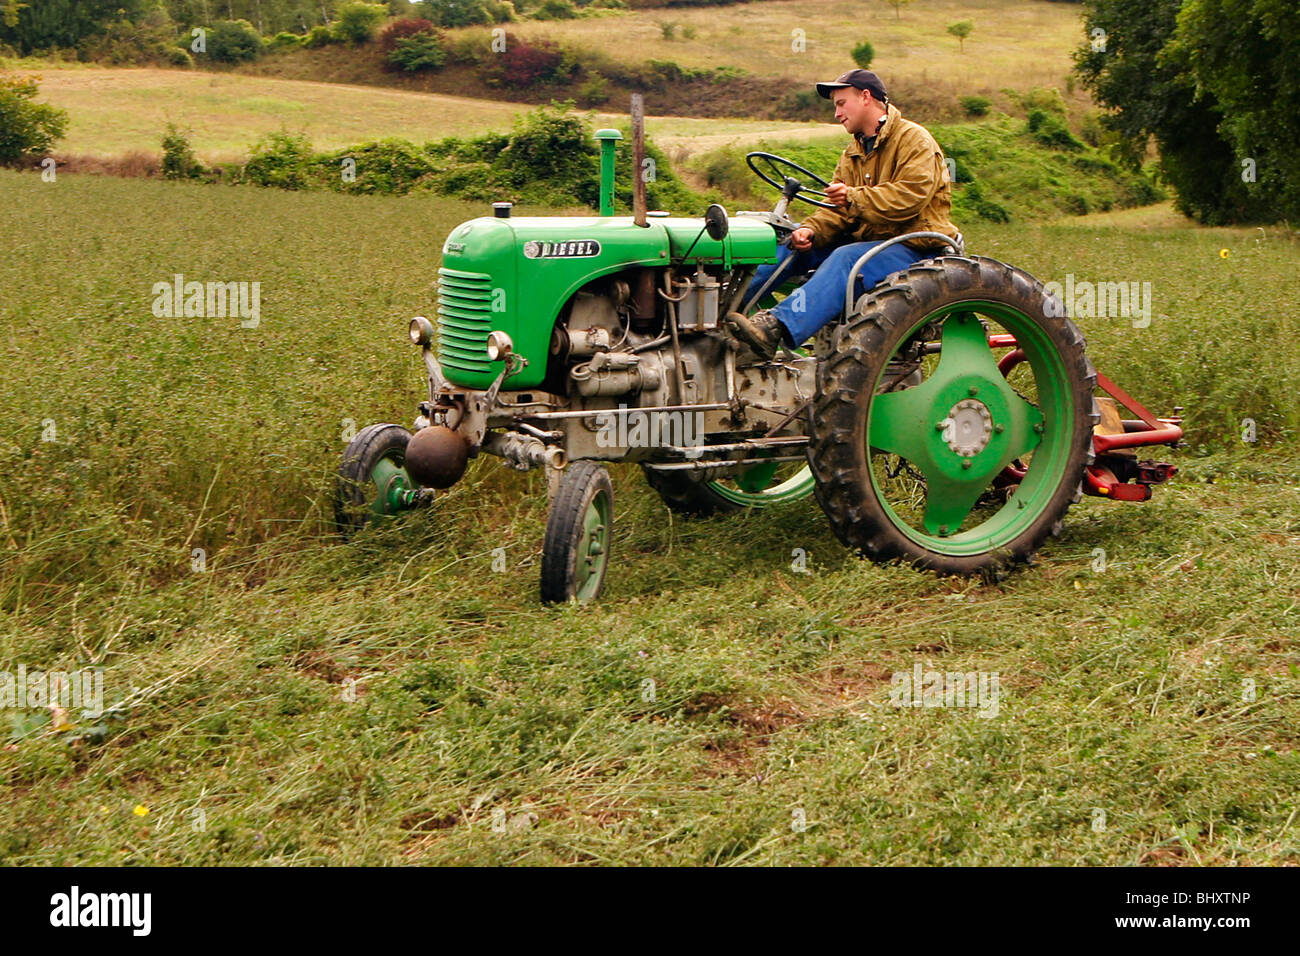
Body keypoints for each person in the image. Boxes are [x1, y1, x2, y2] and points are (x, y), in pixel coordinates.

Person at [726, 69, 960, 359]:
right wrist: (811, 230)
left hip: (914, 247)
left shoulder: (914, 140)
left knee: (846, 258)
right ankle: (721, 314)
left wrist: (852, 197)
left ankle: (775, 327)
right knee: (789, 244)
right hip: (873, 243)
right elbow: (839, 212)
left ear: (865, 97)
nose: (837, 114)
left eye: (841, 104)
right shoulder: (853, 152)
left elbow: (909, 198)